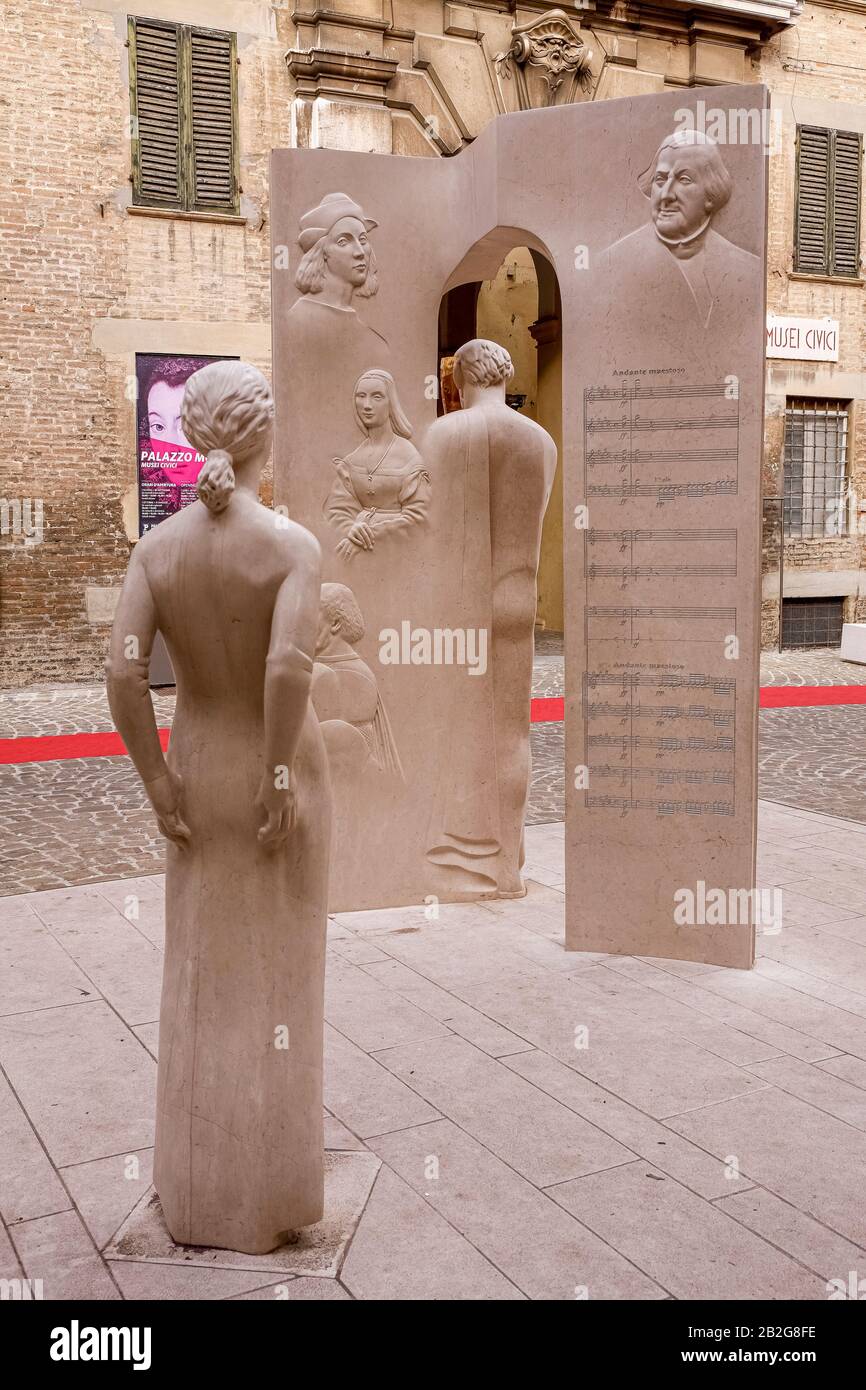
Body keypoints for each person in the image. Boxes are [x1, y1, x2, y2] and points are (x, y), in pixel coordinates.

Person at [106, 360, 331, 1255]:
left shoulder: (157, 549)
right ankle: (271, 1191)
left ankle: (197, 1189)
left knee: (200, 970)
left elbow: (123, 672)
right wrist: (278, 775)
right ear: (262, 442)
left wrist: (158, 782)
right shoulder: (290, 547)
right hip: (274, 768)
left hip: (198, 764)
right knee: (280, 975)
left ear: (195, 438)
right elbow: (287, 669)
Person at [424, 340, 556, 897]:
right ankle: (509, 864)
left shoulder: (444, 435)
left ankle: (460, 852)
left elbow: (430, 526)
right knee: (512, 731)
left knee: (456, 726)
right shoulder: (540, 442)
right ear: (505, 374)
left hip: (459, 599)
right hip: (516, 597)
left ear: (458, 380)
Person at [602, 130, 759, 336]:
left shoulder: (748, 269)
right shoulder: (614, 263)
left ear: (711, 195)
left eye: (684, 180)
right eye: (660, 179)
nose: (666, 195)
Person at [324, 371, 430, 561]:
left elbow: (418, 518)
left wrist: (368, 535)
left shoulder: (409, 457)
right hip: (353, 558)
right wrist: (350, 528)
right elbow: (336, 510)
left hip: (396, 557)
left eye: (377, 397)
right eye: (361, 396)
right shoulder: (352, 459)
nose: (367, 405)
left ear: (391, 402)